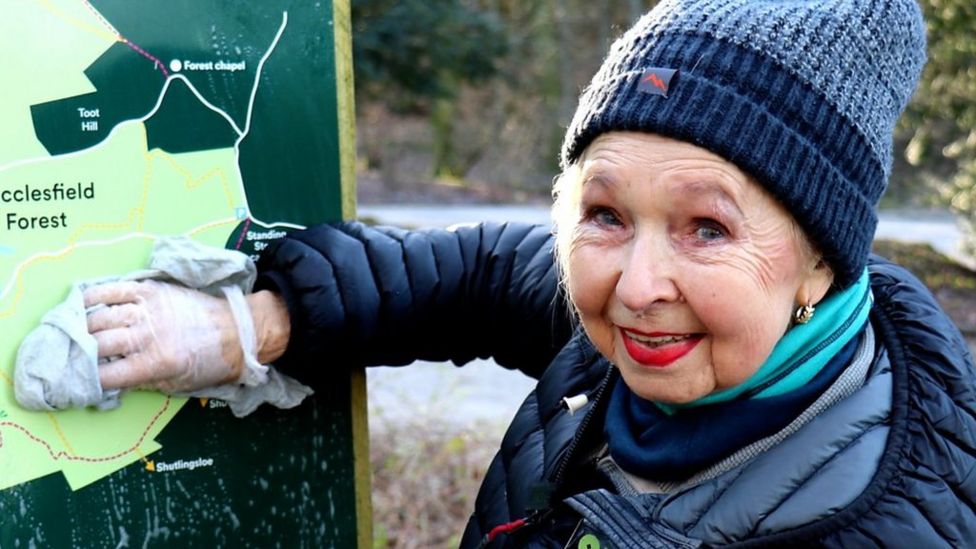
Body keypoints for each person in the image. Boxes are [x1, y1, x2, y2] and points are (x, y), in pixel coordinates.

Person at [82, 0, 976, 546]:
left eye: (707, 227)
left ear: (820, 260)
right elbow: (465, 273)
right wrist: (247, 327)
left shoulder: (890, 521)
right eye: (605, 213)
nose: (634, 287)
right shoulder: (644, 337)